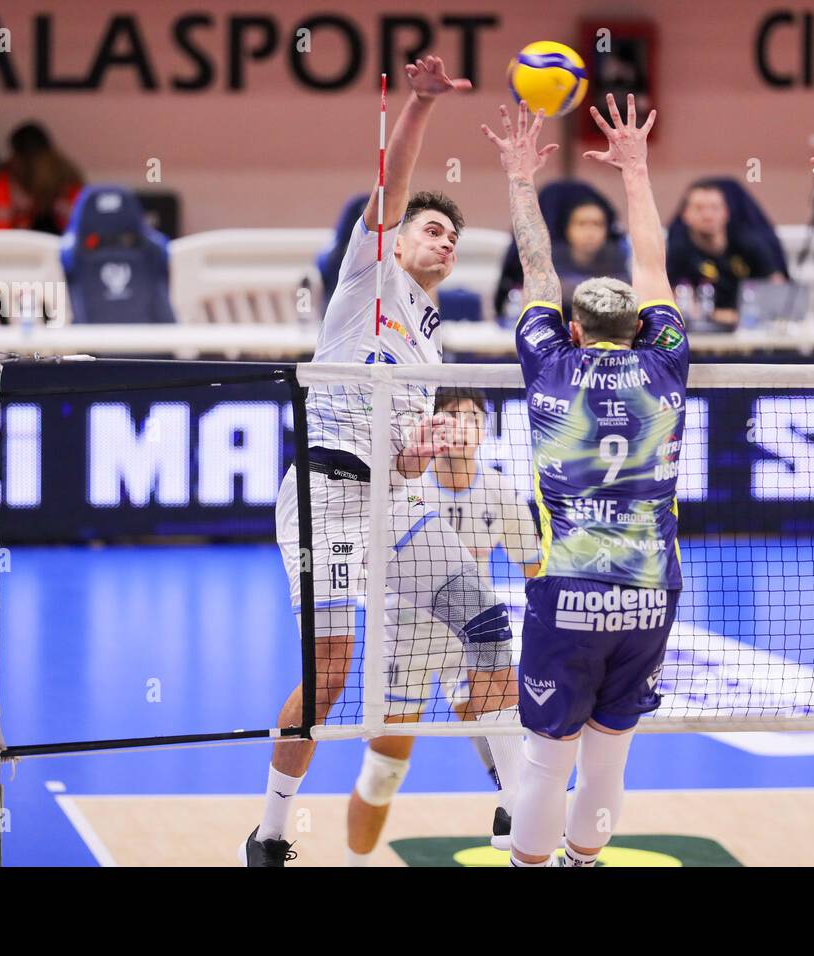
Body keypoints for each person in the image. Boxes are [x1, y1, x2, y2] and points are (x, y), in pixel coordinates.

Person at [243, 56, 523, 867]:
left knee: (486, 623)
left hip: (391, 503)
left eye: (454, 237)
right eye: (433, 229)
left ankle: (512, 803)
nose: (446, 241)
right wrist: (421, 105)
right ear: (395, 240)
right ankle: (269, 832)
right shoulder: (366, 279)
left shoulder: (433, 335)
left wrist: (418, 450)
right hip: (327, 500)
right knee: (330, 671)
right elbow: (394, 185)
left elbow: (400, 465)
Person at [481, 94, 689, 867]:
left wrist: (517, 176)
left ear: (572, 330)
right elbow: (653, 261)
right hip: (648, 593)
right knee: (610, 758)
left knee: (546, 758)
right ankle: (583, 863)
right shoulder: (666, 360)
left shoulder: (549, 361)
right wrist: (635, 167)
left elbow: (537, 264)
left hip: (567, 595)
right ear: (640, 328)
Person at [345, 386, 542, 866]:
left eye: (473, 416)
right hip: (404, 644)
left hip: (469, 648)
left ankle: (530, 839)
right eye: (451, 415)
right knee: (383, 772)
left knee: (521, 765)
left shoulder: (502, 494)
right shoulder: (403, 490)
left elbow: (537, 576)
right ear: (432, 426)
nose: (462, 425)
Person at [494, 185, 630, 319]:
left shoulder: (617, 260)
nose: (590, 233)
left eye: (597, 224)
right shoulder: (548, 263)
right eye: (582, 224)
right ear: (567, 229)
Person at [665, 180, 778, 327]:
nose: (707, 215)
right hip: (700, 333)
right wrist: (713, 316)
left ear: (726, 212)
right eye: (699, 209)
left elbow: (776, 285)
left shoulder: (750, 244)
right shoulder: (677, 250)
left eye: (714, 208)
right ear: (686, 215)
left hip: (751, 330)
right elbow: (672, 297)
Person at [0, 121, 83, 233]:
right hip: (22, 244)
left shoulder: (65, 176)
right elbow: (0, 232)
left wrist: (61, 208)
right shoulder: (8, 177)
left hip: (61, 242)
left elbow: (83, 229)